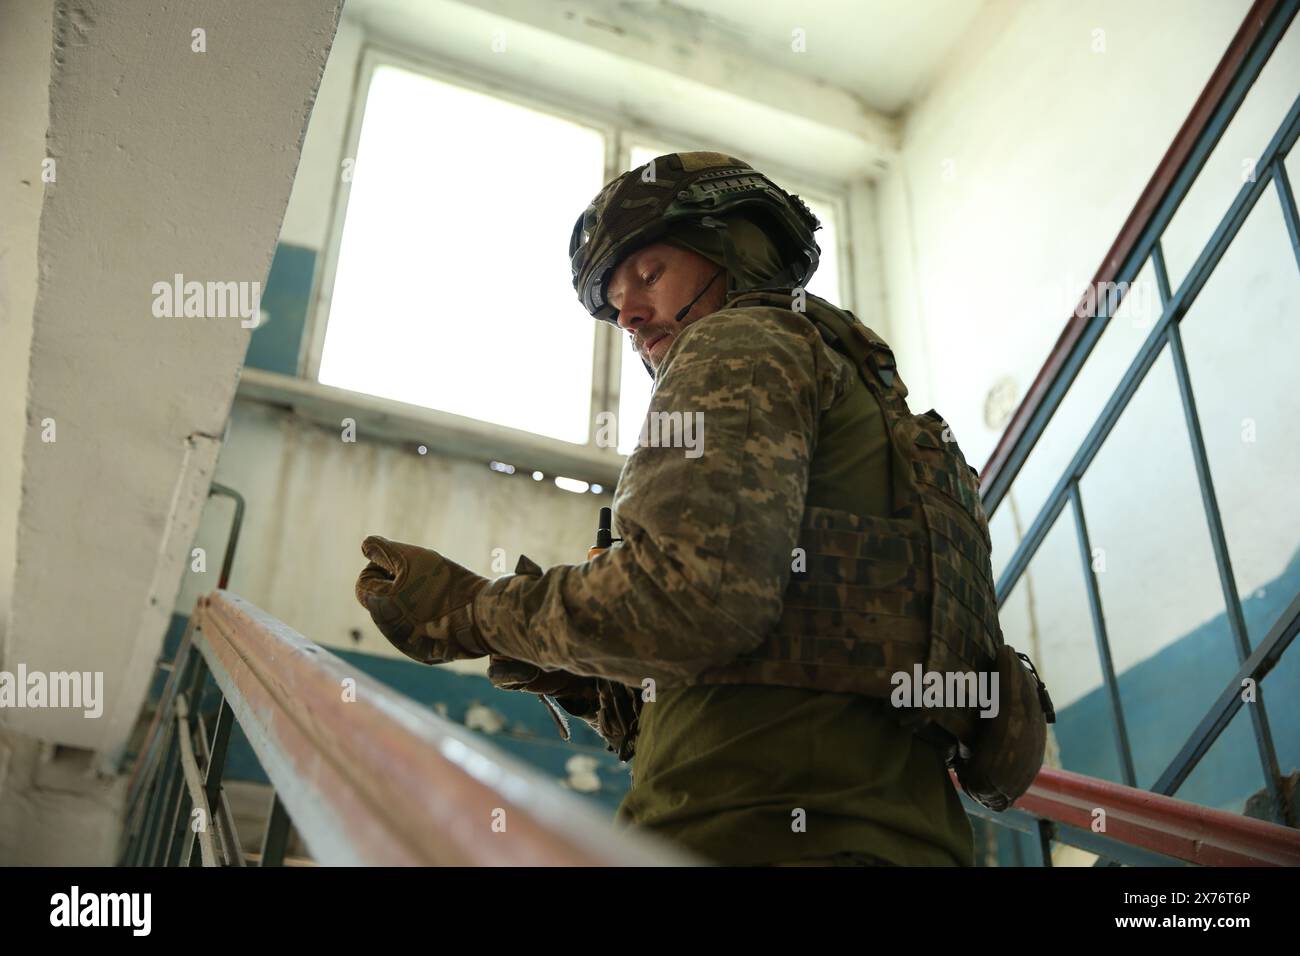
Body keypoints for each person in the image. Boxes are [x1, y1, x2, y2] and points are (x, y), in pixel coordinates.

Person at [355, 151, 1011, 866]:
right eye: (613, 307)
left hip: (745, 833)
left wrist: (474, 611)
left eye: (648, 275)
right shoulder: (862, 400)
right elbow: (779, 645)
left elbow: (690, 599)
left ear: (736, 247)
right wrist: (568, 666)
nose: (629, 315)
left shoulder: (740, 341)